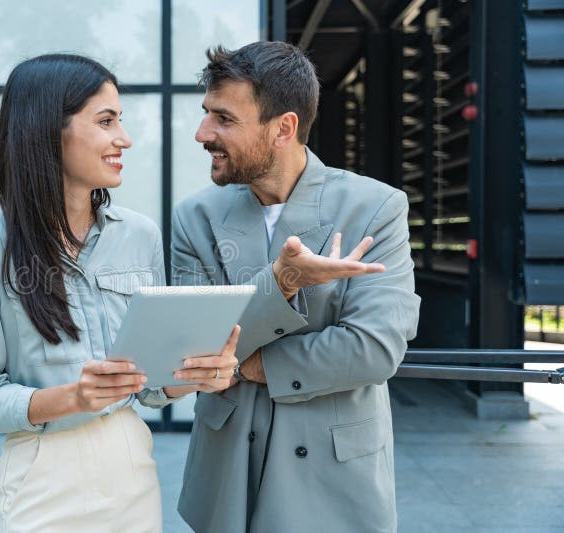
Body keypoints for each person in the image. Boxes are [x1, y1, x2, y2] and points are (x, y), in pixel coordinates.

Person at [0, 54, 240, 533]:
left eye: (120, 121)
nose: (123, 139)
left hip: (130, 463)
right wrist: (73, 397)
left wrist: (197, 375)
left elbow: (148, 386)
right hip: (42, 475)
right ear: (47, 130)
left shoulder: (140, 236)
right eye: (105, 121)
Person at [172, 41, 422, 533]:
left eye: (223, 118)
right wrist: (282, 282)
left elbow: (374, 349)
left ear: (283, 127)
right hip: (227, 476)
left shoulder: (376, 208)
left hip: (333, 479)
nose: (203, 133)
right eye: (206, 113)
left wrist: (250, 364)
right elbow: (192, 352)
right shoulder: (194, 218)